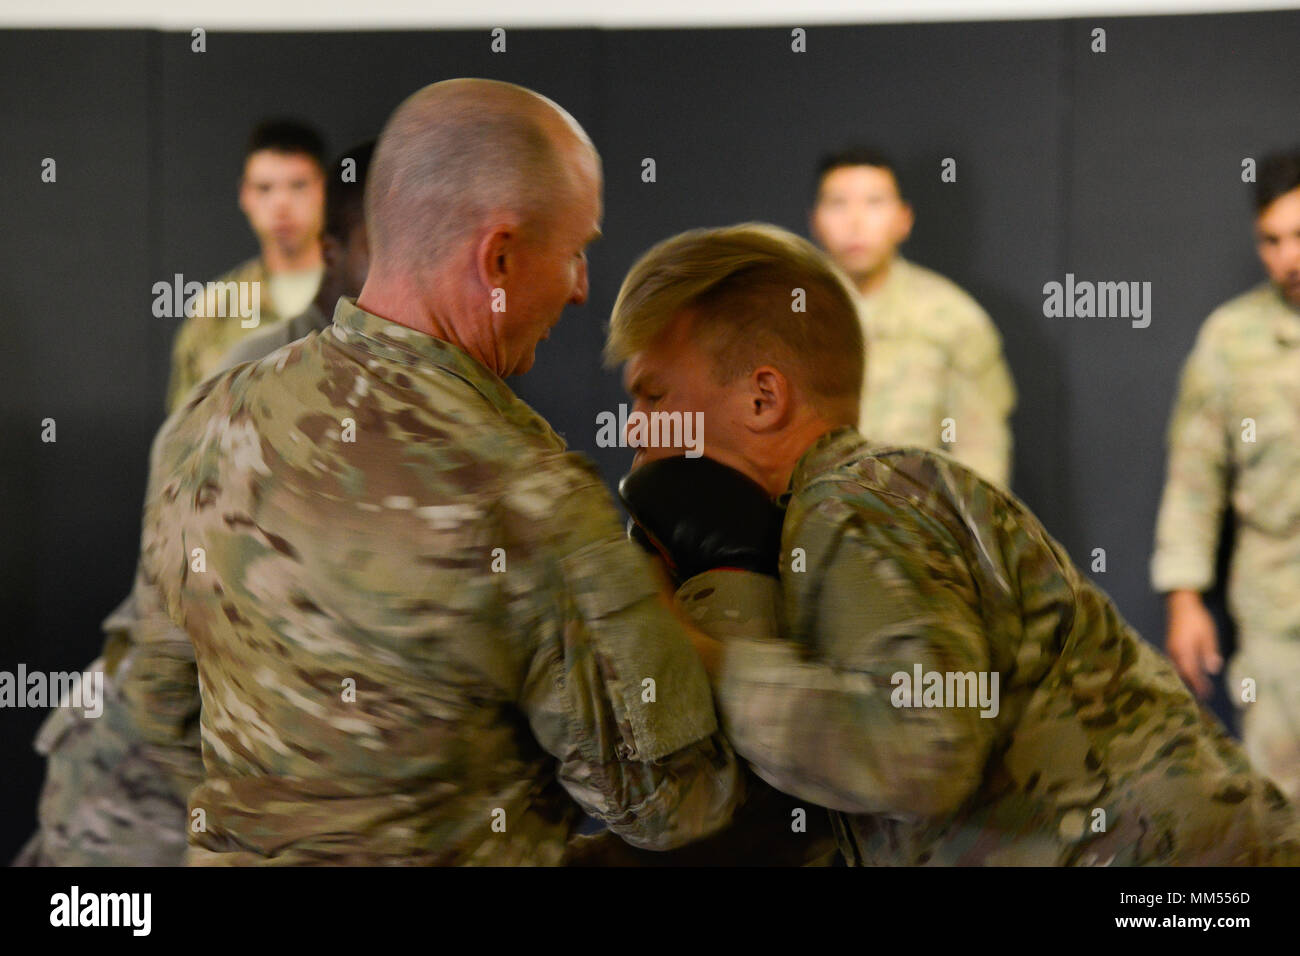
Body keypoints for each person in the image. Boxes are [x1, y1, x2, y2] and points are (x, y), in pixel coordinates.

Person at [124, 79, 742, 865]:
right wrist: (698, 628)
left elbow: (160, 708)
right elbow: (668, 801)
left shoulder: (205, 424)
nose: (582, 284)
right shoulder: (531, 492)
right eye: (576, 249)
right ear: (501, 256)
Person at [609, 222, 1300, 865]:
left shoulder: (856, 504)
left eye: (655, 397)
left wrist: (700, 655)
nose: (636, 432)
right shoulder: (831, 516)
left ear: (764, 399)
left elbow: (921, 751)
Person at [13, 141, 380, 868]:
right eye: (391, 244)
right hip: (143, 794)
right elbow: (170, 657)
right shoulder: (248, 384)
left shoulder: (413, 387)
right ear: (332, 252)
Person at [1151, 147, 1300, 801]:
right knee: (1279, 807)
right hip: (1277, 623)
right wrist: (1184, 597)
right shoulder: (1230, 339)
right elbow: (1195, 474)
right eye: (1271, 240)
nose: (1287, 258)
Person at [809, 146, 1016, 487]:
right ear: (815, 219)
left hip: (911, 527)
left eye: (874, 202)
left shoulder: (953, 319)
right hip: (800, 525)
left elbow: (982, 454)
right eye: (838, 203)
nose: (855, 222)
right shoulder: (783, 315)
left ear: (904, 218)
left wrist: (963, 533)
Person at [165, 118, 327, 411]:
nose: (281, 203)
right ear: (245, 195)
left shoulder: (362, 297)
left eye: (298, 185)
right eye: (265, 188)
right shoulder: (216, 308)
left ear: (325, 190)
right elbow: (184, 434)